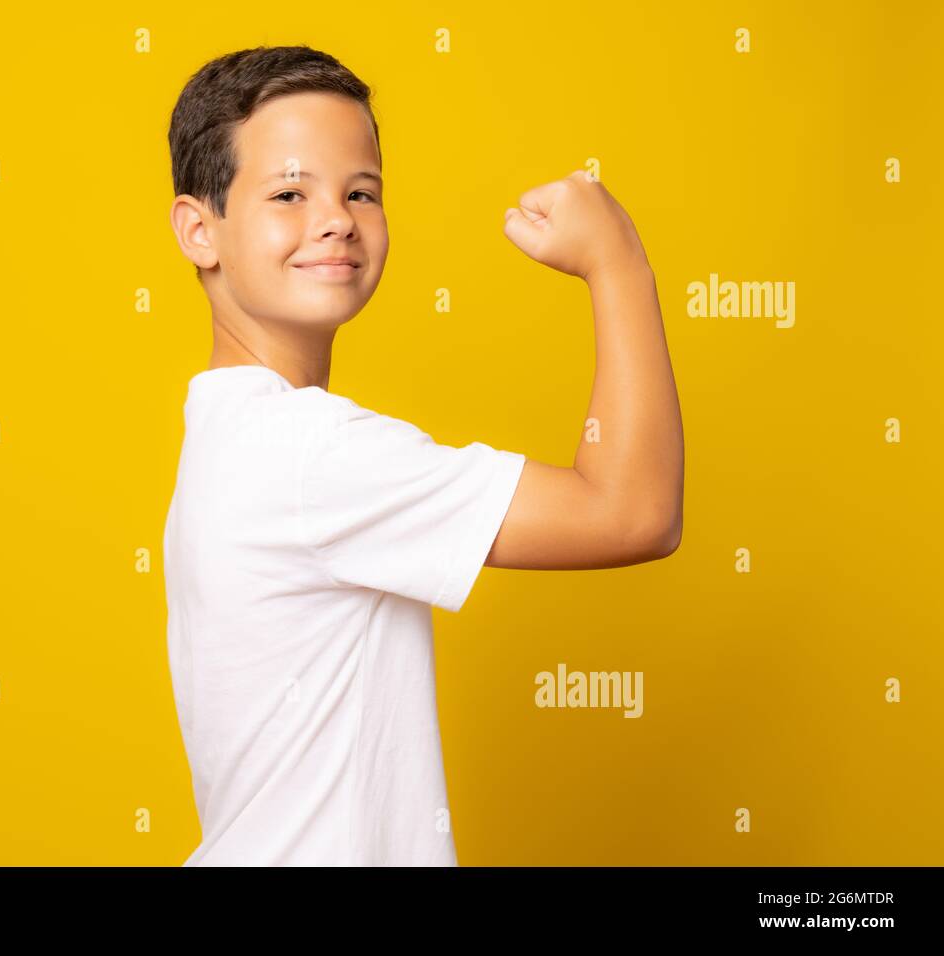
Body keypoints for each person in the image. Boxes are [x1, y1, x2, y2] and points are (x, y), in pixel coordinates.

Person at [162, 45, 683, 865]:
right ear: (200, 230)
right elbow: (634, 513)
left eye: (359, 192)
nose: (335, 218)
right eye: (289, 193)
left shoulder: (232, 435)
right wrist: (620, 266)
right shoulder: (306, 453)